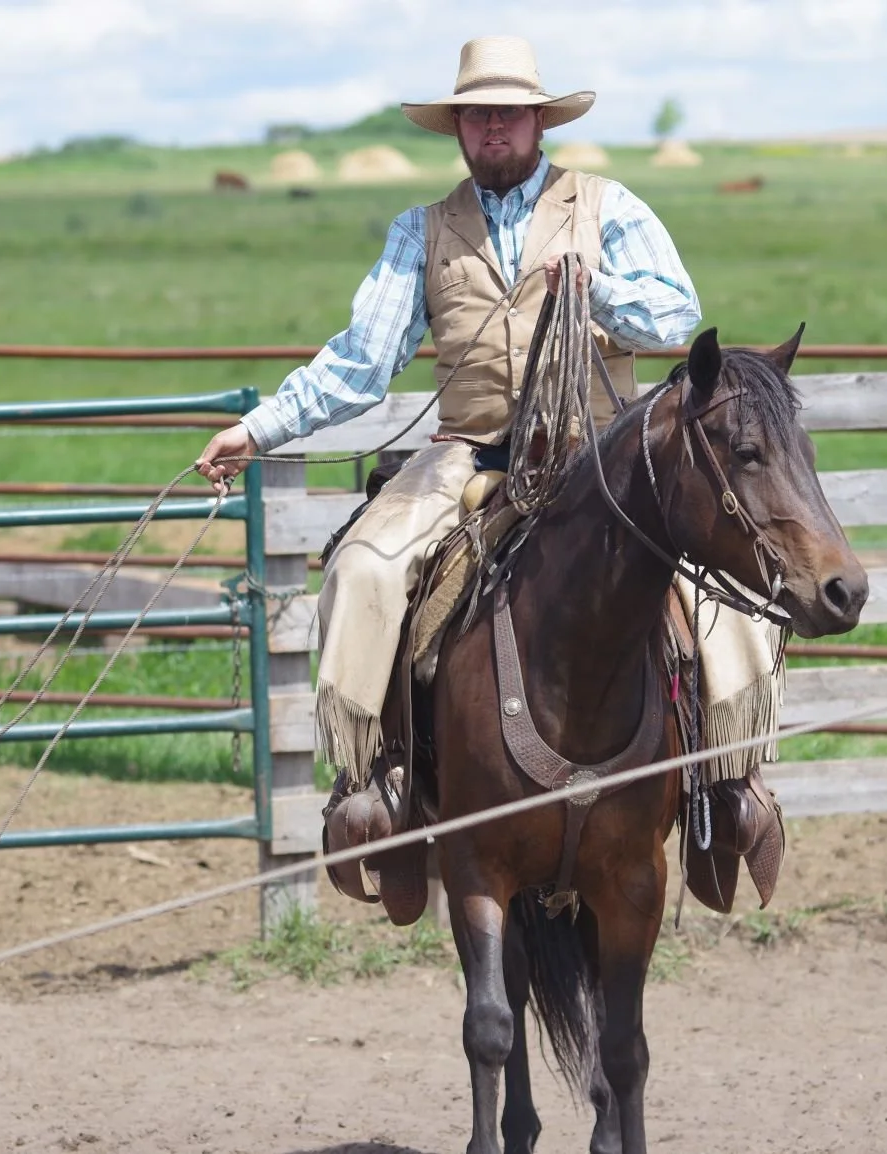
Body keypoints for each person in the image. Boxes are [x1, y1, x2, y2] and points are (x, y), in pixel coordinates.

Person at [198, 36, 785, 902]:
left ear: (540, 121)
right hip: (472, 456)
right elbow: (362, 360)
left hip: (602, 456)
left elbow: (677, 313)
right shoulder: (423, 231)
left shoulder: (606, 206)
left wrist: (595, 289)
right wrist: (259, 429)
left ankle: (728, 785)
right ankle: (374, 785)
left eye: (509, 111)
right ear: (460, 129)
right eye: (478, 114)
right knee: (364, 568)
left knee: (720, 584)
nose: (494, 126)